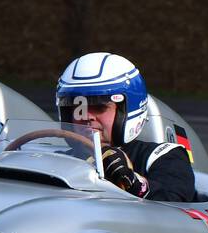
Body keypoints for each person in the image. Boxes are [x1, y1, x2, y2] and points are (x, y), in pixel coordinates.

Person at [55, 52, 196, 202]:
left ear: (128, 110)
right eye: (78, 108)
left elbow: (177, 205)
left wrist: (135, 184)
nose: (87, 116)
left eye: (99, 107)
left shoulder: (162, 157)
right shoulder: (57, 160)